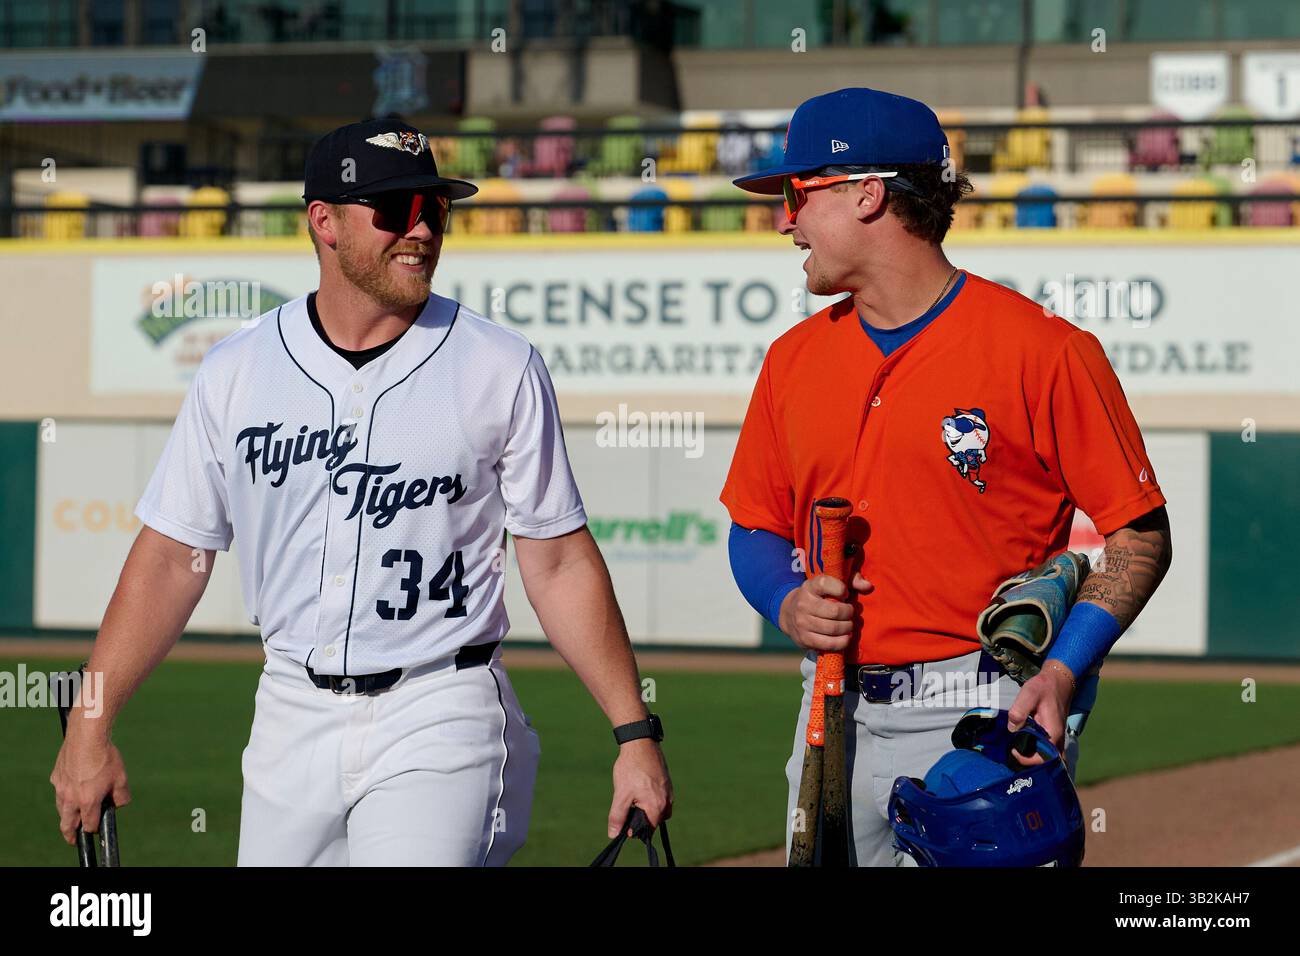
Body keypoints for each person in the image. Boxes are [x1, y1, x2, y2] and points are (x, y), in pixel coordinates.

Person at [50, 118, 672, 866]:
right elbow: (169, 557)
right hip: (289, 711)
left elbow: (559, 561)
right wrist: (89, 725)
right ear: (324, 222)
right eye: (393, 209)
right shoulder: (238, 369)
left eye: (433, 207)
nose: (420, 229)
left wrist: (634, 734)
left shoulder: (497, 365)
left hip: (441, 705)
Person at [721, 88, 1172, 866]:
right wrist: (785, 599)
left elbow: (1138, 535)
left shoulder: (1044, 351)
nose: (783, 220)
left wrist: (1065, 671)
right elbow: (754, 524)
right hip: (836, 701)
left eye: (797, 194)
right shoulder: (792, 362)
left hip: (988, 703)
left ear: (868, 192)